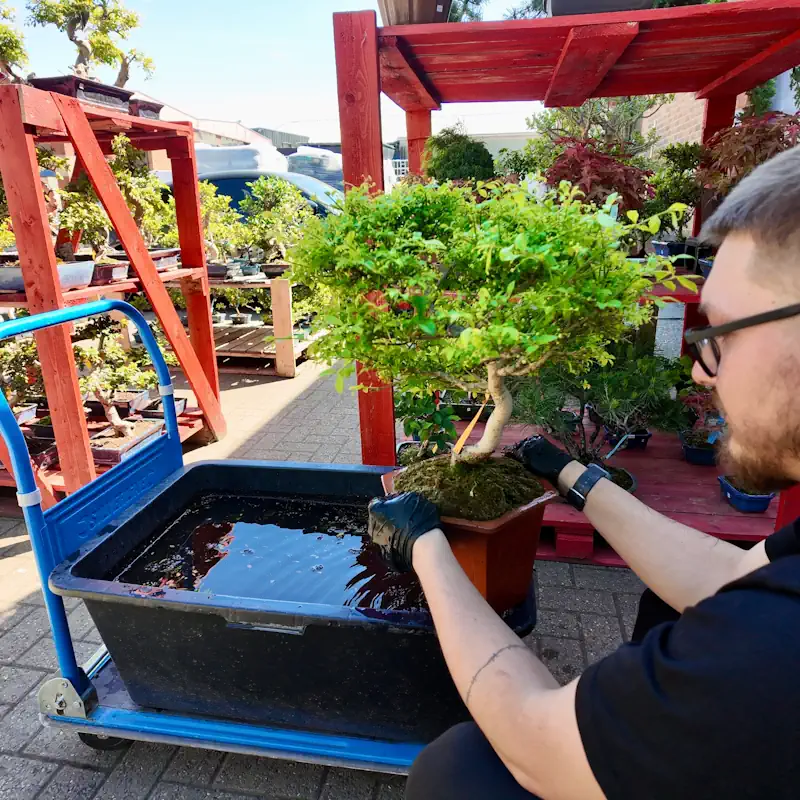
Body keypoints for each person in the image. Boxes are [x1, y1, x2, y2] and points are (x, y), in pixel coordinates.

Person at [367, 147, 800, 800]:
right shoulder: (776, 609)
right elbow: (735, 577)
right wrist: (572, 476)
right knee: (663, 603)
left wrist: (425, 544)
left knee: (458, 769)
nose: (700, 370)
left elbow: (534, 743)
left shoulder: (773, 661)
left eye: (724, 332)